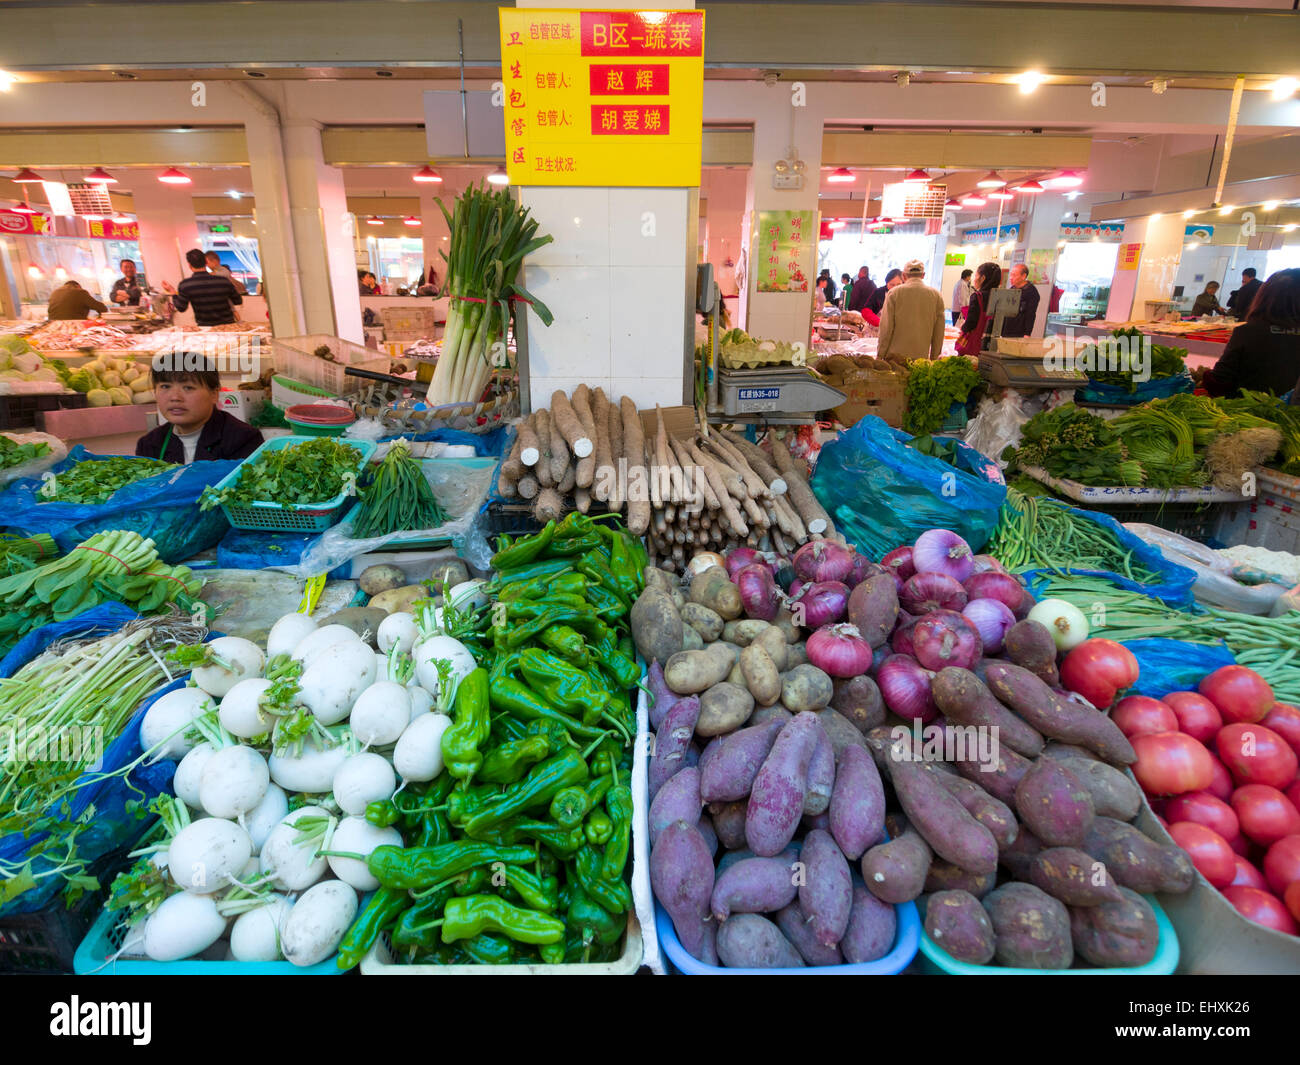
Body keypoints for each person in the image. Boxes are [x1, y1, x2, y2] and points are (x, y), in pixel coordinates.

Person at [135, 353, 262, 464]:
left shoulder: (243, 439)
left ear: (214, 394)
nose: (175, 397)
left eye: (188, 388)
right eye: (165, 387)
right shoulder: (149, 444)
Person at [1202, 268, 1300, 399]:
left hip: (1246, 410)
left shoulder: (1249, 331)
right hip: (1292, 416)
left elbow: (1220, 379)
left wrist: (1205, 377)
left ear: (1265, 296)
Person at [878, 259, 946, 360]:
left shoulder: (894, 293)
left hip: (895, 359)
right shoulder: (936, 295)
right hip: (921, 360)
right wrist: (934, 357)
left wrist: (880, 356)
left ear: (904, 276)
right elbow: (939, 331)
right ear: (923, 275)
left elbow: (886, 329)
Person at [161, 249, 242, 326]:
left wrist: (172, 292)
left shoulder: (186, 284)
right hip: (228, 326)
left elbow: (181, 308)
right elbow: (238, 301)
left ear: (189, 265)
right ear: (206, 262)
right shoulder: (223, 281)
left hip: (205, 328)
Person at [957, 262, 1002, 357]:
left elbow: (971, 322)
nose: (974, 279)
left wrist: (963, 328)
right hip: (994, 345)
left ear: (983, 278)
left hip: (976, 344)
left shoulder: (978, 296)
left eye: (976, 275)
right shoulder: (1002, 296)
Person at [1001, 263, 1041, 338]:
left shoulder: (1031, 292)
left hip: (1019, 332)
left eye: (1014, 275)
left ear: (1023, 276)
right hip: (1006, 330)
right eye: (1011, 275)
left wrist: (1027, 333)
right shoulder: (1012, 289)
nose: (1011, 278)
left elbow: (1031, 314)